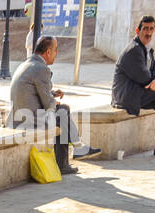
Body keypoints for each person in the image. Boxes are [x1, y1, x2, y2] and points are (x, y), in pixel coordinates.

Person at [9, 36, 99, 175]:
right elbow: (48, 103)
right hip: (28, 121)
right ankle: (71, 155)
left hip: (17, 118)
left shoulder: (27, 63)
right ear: (48, 52)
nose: (57, 53)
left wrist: (51, 94)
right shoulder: (41, 68)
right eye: (56, 50)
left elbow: (34, 91)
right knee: (63, 112)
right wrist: (53, 101)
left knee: (61, 113)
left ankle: (76, 149)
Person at [112, 14, 155, 157]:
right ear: (137, 30)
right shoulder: (134, 50)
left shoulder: (146, 48)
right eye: (145, 28)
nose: (148, 32)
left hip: (138, 93)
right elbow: (144, 78)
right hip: (127, 97)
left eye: (151, 29)